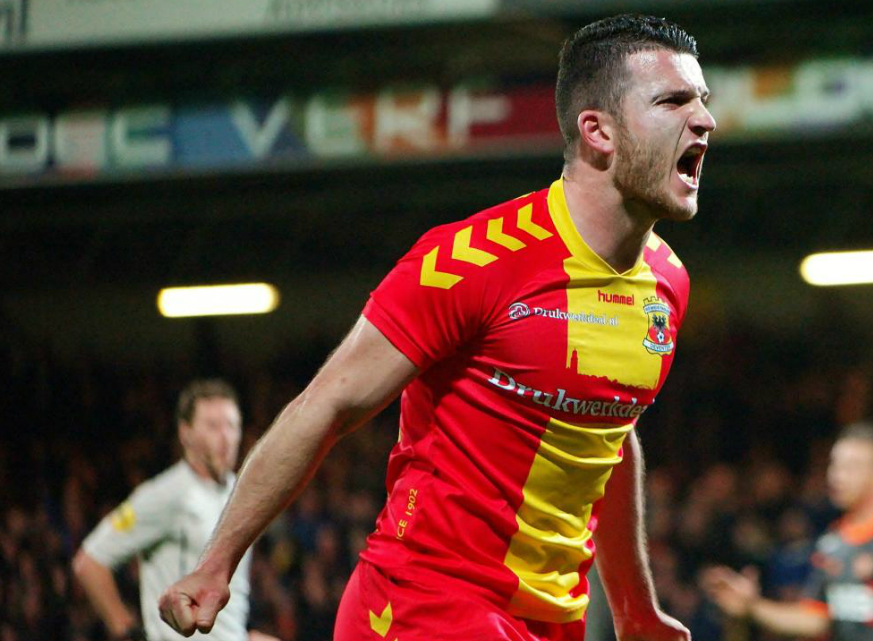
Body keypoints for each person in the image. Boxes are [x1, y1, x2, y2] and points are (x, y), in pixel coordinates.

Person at [159, 13, 715, 641]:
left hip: (551, 619)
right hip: (423, 603)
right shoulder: (472, 259)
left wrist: (635, 609)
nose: (704, 119)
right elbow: (328, 402)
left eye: (702, 100)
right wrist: (216, 565)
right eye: (673, 101)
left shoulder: (667, 282)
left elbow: (608, 436)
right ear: (598, 132)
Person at [701, 423, 873, 641]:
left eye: (850, 467)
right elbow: (817, 619)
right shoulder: (833, 540)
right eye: (834, 465)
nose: (836, 476)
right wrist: (752, 607)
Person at [72, 379, 277, 641]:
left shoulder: (238, 492)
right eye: (213, 426)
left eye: (231, 425)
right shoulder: (166, 494)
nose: (225, 437)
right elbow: (89, 562)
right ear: (185, 433)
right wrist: (126, 630)